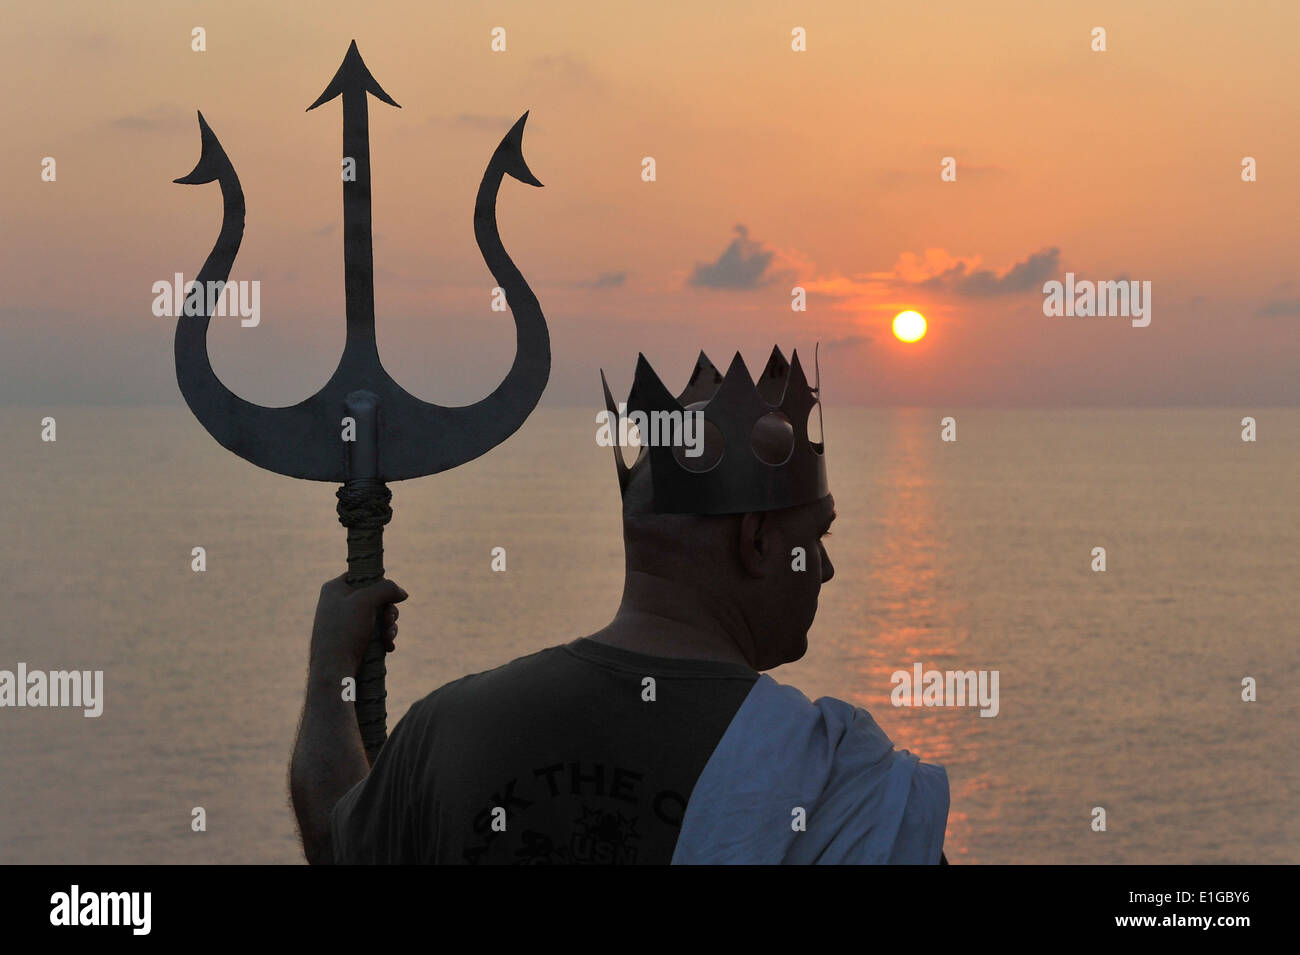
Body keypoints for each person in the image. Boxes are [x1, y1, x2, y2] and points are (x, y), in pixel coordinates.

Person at [289, 348, 949, 864]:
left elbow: (334, 839)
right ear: (756, 541)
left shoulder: (445, 730)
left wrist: (331, 668)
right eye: (818, 535)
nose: (827, 568)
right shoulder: (839, 787)